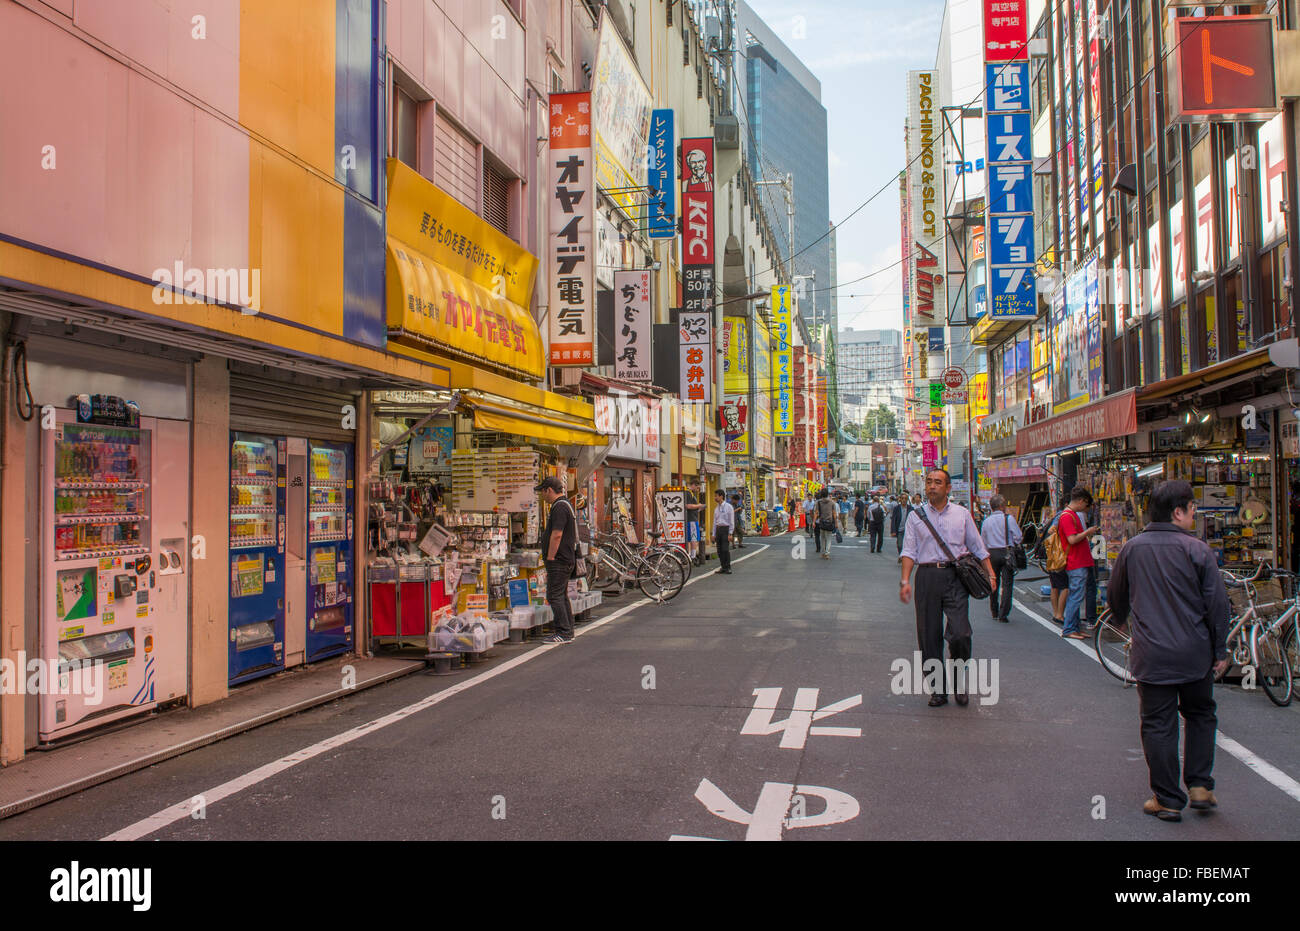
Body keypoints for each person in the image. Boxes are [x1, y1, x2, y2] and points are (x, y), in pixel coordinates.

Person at [1107, 481, 1231, 822]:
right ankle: (1200, 785)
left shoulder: (1132, 549)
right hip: (1195, 652)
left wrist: (1120, 619)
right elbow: (1218, 605)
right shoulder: (1198, 550)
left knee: (1158, 724)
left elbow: (1115, 595)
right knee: (1201, 714)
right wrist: (1220, 648)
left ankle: (1168, 799)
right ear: (1178, 512)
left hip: (1152, 654)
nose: (1194, 514)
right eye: (1192, 509)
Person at [899, 469, 996, 706]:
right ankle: (938, 690)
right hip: (927, 576)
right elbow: (909, 550)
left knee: (961, 633)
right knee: (929, 635)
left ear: (948, 488)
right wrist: (905, 581)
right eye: (929, 482)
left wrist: (991, 573)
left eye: (937, 482)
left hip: (955, 576)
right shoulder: (915, 517)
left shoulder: (962, 514)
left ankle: (959, 680)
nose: (932, 486)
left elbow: (978, 546)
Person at [536, 476, 578, 644]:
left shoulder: (559, 507)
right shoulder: (565, 504)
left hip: (559, 559)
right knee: (561, 595)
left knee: (554, 595)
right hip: (566, 558)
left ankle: (563, 632)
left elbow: (557, 534)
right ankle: (568, 630)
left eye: (542, 492)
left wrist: (551, 556)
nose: (542, 496)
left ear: (549, 490)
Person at [1059, 487, 1100, 640]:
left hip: (1079, 561)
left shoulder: (1071, 515)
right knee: (1076, 596)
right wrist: (1087, 532)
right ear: (1082, 501)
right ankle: (1069, 628)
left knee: (1076, 595)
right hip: (1076, 562)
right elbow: (1072, 539)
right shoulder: (1067, 516)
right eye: (1086, 505)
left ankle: (1074, 627)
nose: (1086, 509)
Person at [981, 494, 1023, 623]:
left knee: (994, 581)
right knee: (1007, 583)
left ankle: (994, 611)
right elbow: (1018, 537)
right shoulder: (1008, 519)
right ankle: (1003, 614)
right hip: (1006, 552)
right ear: (1001, 506)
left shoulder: (986, 521)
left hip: (992, 554)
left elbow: (983, 541)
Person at [712, 489, 735, 574]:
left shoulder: (729, 507)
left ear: (721, 496)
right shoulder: (716, 509)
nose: (715, 498)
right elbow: (714, 522)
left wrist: (730, 533)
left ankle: (728, 567)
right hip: (718, 529)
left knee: (725, 549)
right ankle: (723, 567)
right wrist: (713, 534)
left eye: (716, 496)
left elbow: (731, 521)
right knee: (719, 550)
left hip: (726, 529)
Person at [684, 478, 705, 565]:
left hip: (692, 518)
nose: (697, 490)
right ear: (693, 485)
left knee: (691, 538)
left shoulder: (690, 493)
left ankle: (690, 555)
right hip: (691, 519)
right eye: (697, 488)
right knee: (694, 538)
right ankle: (692, 557)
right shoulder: (688, 493)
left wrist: (698, 508)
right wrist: (698, 505)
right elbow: (688, 506)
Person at [814, 489, 838, 560]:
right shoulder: (832, 502)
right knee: (828, 538)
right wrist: (836, 523)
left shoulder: (818, 502)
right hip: (829, 522)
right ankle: (827, 553)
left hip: (821, 522)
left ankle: (823, 553)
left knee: (822, 538)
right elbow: (834, 513)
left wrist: (813, 522)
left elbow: (816, 512)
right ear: (827, 494)